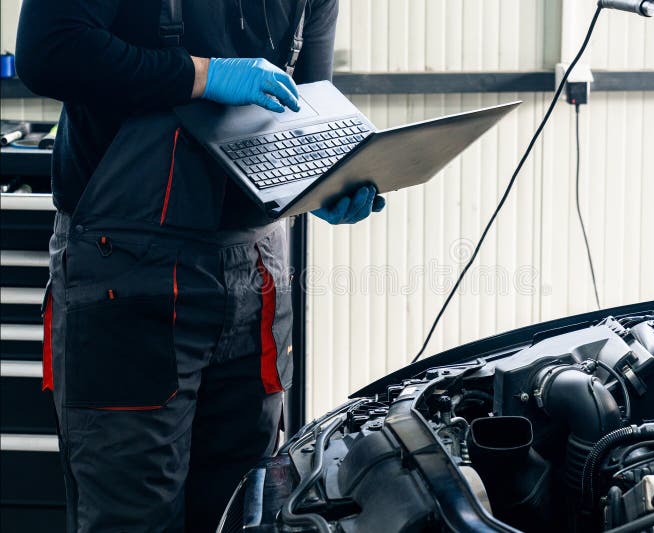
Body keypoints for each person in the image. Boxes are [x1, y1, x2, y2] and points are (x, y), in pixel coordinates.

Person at [15, 1, 382, 531]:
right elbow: (49, 51)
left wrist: (323, 182)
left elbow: (301, 106)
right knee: (131, 516)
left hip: (255, 276)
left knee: (241, 509)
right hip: (128, 273)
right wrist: (202, 75)